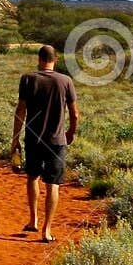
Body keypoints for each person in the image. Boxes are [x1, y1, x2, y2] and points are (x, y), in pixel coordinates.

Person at [10, 44, 78, 243]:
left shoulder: (28, 79)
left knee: (32, 177)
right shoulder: (66, 81)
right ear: (55, 60)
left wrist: (15, 139)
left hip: (33, 139)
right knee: (53, 184)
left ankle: (33, 220)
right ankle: (46, 230)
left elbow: (20, 110)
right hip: (57, 141)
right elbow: (74, 113)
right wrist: (70, 133)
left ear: (39, 59)